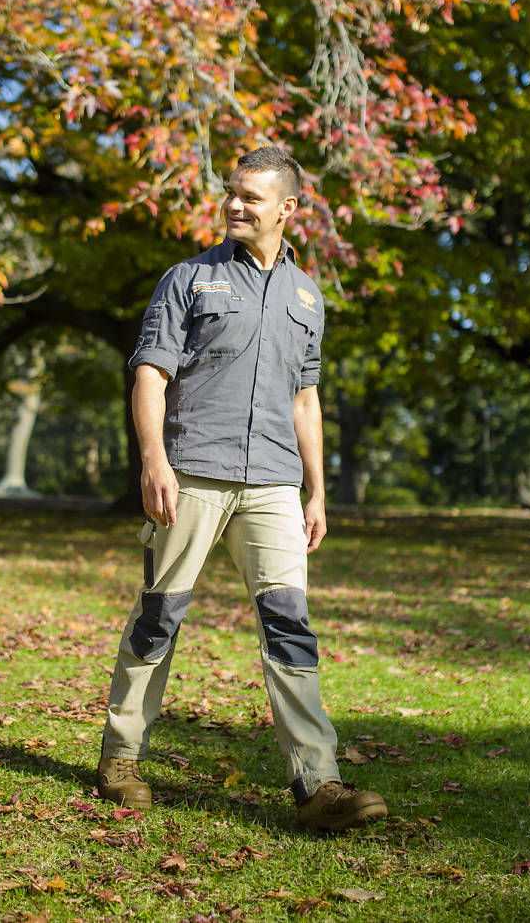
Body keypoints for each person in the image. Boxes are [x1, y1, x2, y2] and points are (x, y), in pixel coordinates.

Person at [95, 146, 388, 831]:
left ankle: (318, 781)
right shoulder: (188, 280)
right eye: (232, 193)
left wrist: (317, 490)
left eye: (251, 197)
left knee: (291, 625)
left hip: (275, 488)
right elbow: (150, 375)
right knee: (158, 615)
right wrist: (153, 460)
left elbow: (306, 398)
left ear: (287, 209)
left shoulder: (309, 295)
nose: (235, 205)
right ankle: (121, 756)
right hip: (192, 470)